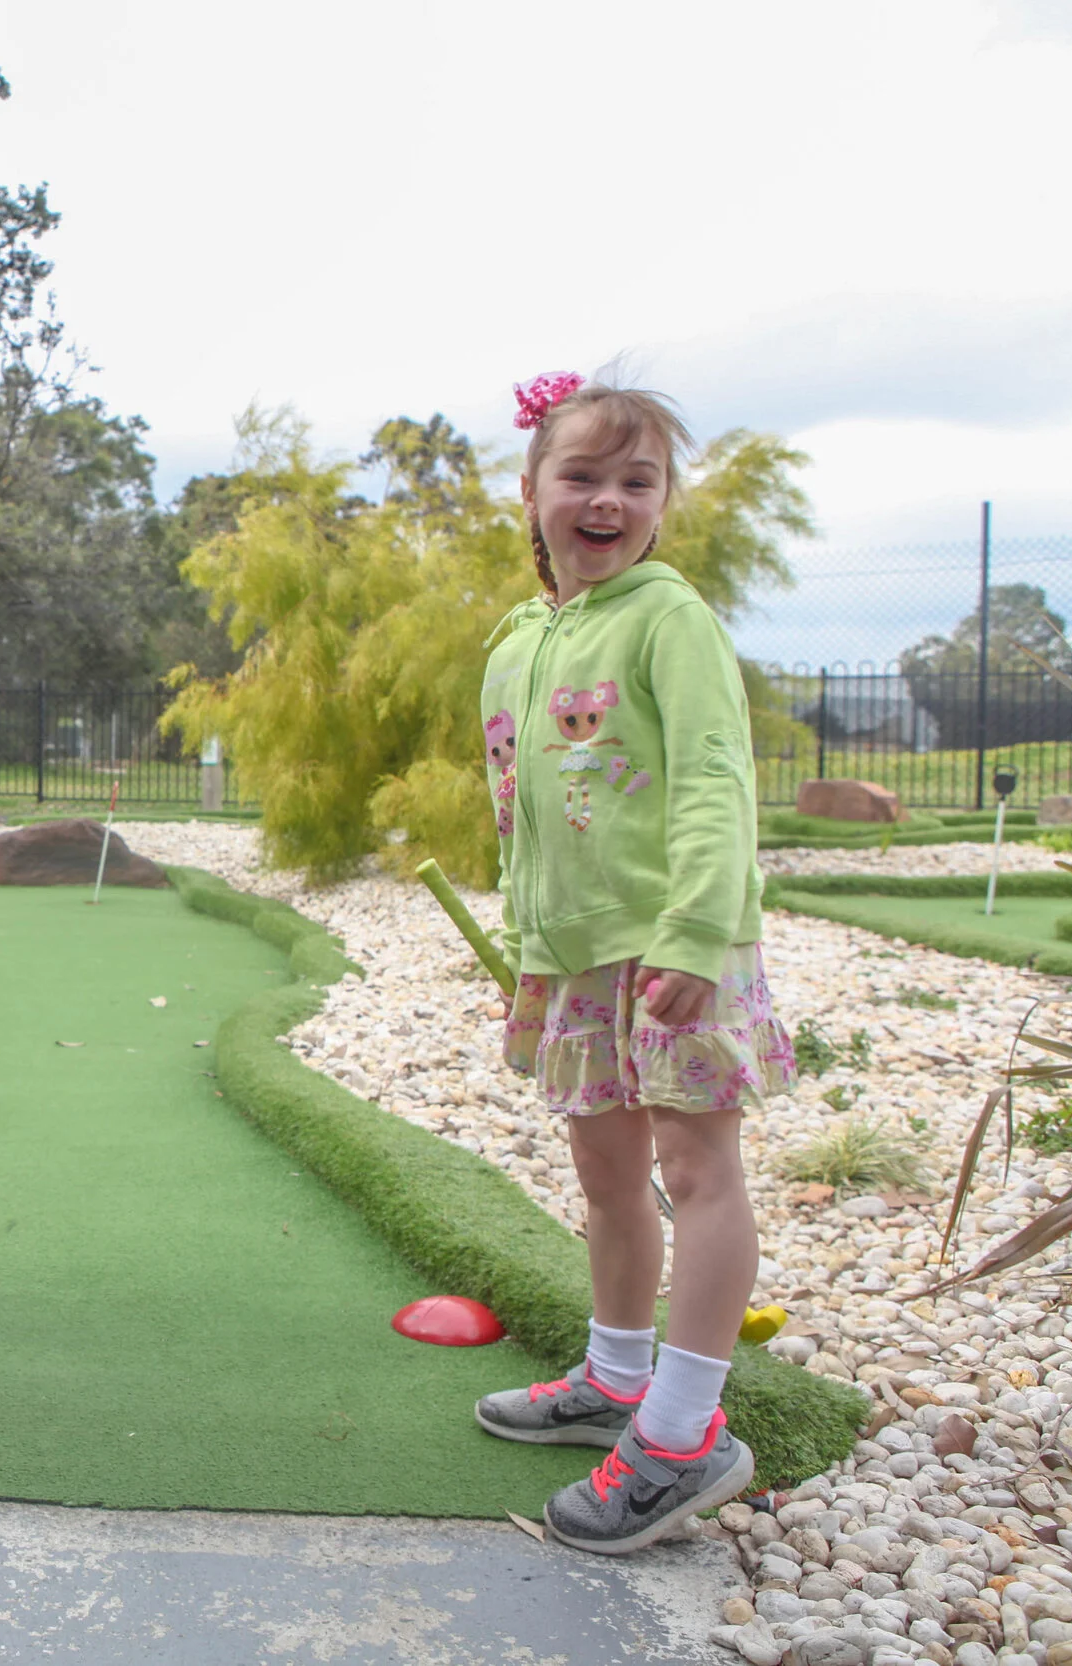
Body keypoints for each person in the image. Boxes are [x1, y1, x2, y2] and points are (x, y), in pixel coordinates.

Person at [471, 372, 793, 1553]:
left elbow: (714, 776)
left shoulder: (668, 617)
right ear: (532, 491)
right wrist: (531, 947)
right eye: (582, 475)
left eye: (636, 480)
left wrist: (698, 931)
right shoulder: (519, 642)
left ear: (661, 503)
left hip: (673, 944)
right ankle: (614, 1377)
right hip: (577, 954)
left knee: (696, 1168)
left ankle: (683, 1431)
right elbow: (519, 805)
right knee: (604, 1171)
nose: (607, 499)